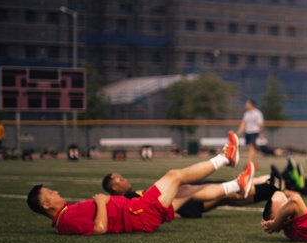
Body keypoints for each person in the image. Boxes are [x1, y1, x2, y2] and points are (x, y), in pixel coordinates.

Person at [27, 132, 254, 235]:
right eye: (49, 193)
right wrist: (103, 203)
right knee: (175, 175)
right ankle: (225, 158)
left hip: (137, 211)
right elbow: (99, 229)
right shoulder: (65, 220)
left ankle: (237, 186)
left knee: (186, 190)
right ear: (46, 205)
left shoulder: (66, 213)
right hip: (138, 213)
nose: (55, 191)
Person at [101, 164, 276, 218]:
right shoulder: (125, 200)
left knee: (223, 196)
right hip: (184, 206)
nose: (125, 179)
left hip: (180, 205)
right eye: (120, 179)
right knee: (219, 193)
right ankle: (269, 186)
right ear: (114, 188)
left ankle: (268, 186)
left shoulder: (127, 198)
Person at [237, 98, 265, 169]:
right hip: (247, 132)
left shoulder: (257, 113)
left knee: (251, 147)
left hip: (254, 132)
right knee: (251, 148)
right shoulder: (246, 114)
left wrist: (261, 133)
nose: (246, 105)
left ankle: (249, 163)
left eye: (247, 103)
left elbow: (261, 124)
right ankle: (255, 164)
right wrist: (238, 132)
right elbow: (243, 124)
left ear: (251, 104)